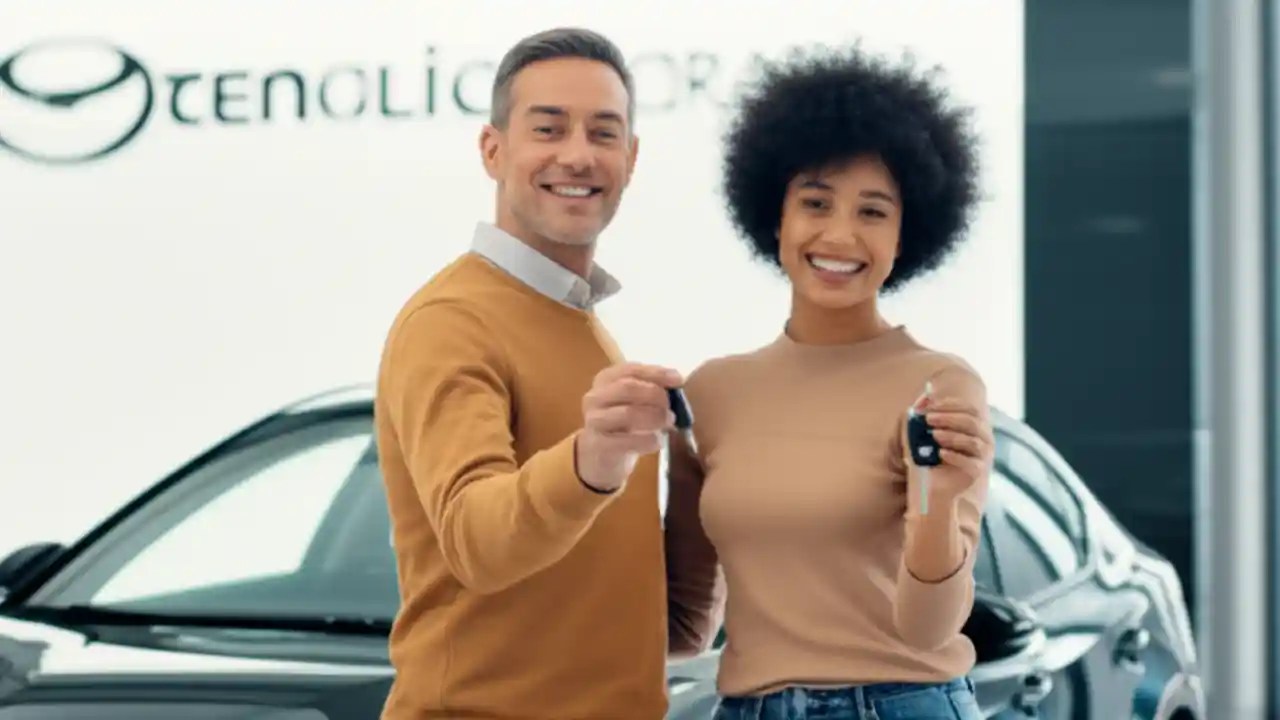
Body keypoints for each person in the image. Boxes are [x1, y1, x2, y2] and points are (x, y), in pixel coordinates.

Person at [664, 46, 994, 720]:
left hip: (903, 705)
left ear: (905, 235)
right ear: (776, 217)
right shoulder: (711, 393)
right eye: (816, 203)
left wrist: (939, 502)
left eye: (873, 212)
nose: (840, 235)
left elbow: (929, 629)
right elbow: (683, 626)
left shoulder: (939, 387)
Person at [374, 27, 682, 720]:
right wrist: (592, 460)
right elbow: (475, 543)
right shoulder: (452, 321)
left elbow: (647, 630)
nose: (578, 154)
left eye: (603, 133)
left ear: (631, 159)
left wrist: (705, 481)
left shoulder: (583, 327)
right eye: (549, 128)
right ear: (493, 149)